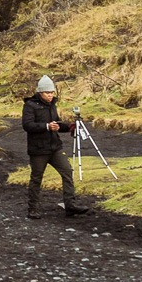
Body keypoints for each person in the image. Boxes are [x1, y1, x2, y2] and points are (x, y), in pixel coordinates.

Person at [22, 76, 89, 219]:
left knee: (67, 172)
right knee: (36, 178)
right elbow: (27, 125)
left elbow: (56, 124)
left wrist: (69, 127)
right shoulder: (30, 105)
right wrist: (46, 126)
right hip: (38, 150)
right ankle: (32, 209)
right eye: (47, 93)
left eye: (52, 92)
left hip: (55, 148)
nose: (50, 95)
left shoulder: (52, 105)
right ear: (40, 92)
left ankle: (70, 205)